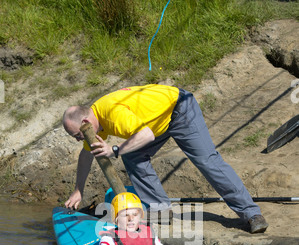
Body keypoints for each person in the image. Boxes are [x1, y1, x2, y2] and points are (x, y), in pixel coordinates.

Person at [63, 84, 268, 234]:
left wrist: (115, 149)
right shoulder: (94, 118)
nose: (79, 139)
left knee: (207, 161)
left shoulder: (113, 114)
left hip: (180, 109)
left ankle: (251, 214)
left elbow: (146, 136)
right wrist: (78, 190)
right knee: (133, 157)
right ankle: (160, 210)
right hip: (156, 121)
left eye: (77, 135)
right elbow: (86, 154)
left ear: (85, 121)